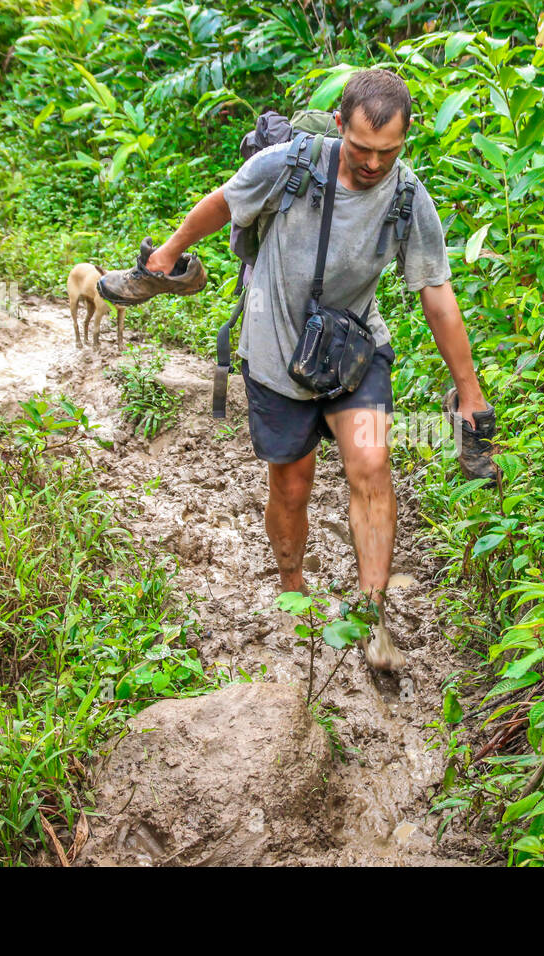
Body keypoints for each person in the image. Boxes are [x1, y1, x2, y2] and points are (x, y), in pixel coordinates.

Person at [145, 69, 492, 671]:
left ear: (405, 142)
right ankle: (293, 585)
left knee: (372, 463)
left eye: (389, 152)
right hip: (277, 351)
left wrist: (470, 393)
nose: (374, 164)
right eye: (361, 148)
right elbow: (223, 203)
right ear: (339, 125)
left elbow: (436, 292)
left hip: (354, 351)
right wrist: (168, 256)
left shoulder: (408, 196)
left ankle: (373, 616)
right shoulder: (288, 165)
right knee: (291, 484)